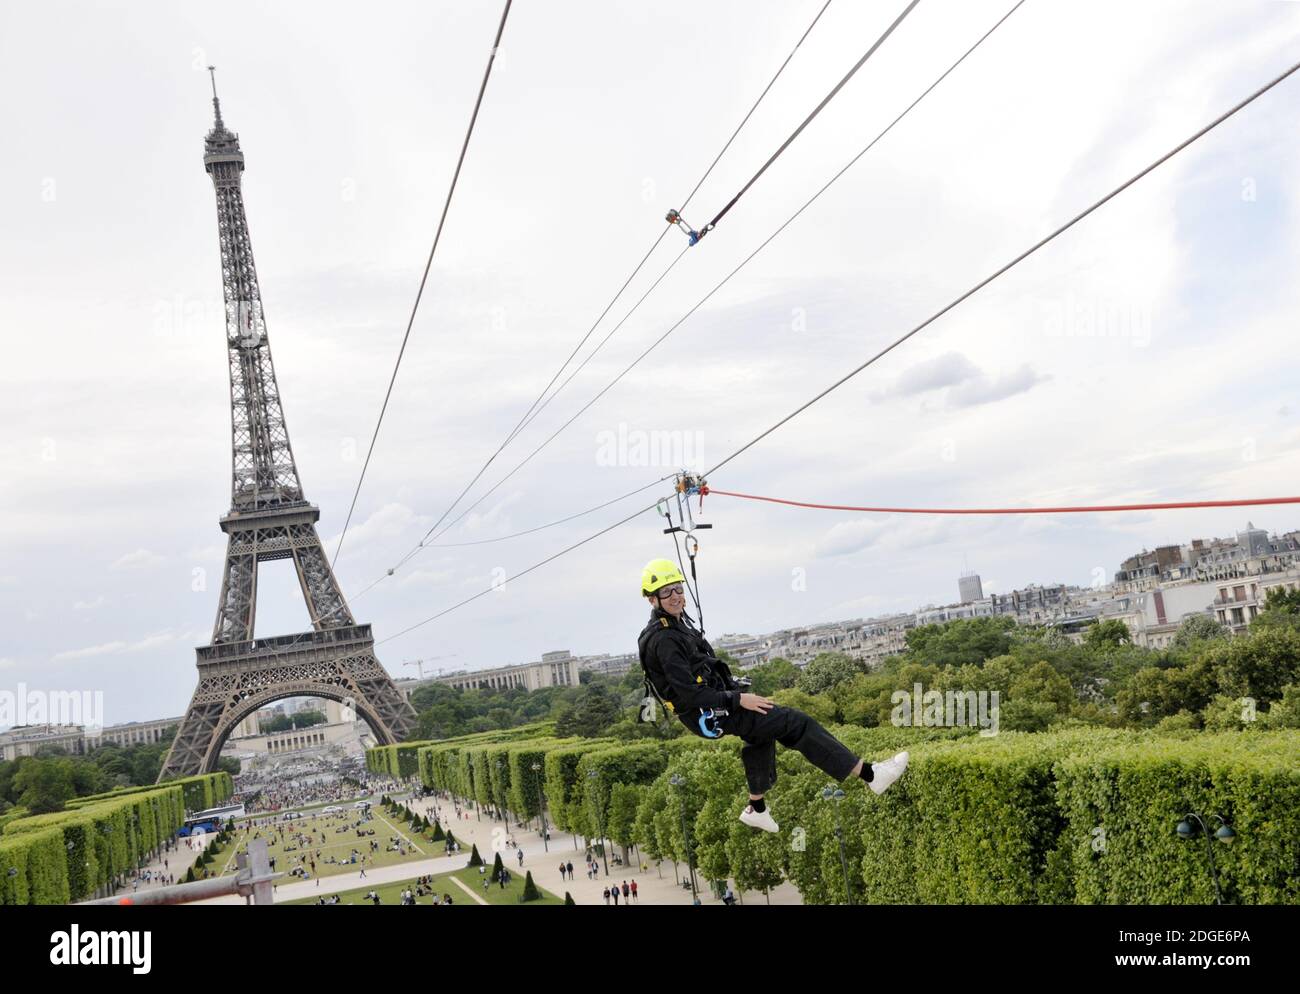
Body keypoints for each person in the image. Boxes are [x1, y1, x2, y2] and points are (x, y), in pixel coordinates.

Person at [637, 558, 909, 832]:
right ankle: (871, 775)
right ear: (652, 599)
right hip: (707, 713)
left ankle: (756, 808)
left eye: (678, 589)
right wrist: (739, 699)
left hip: (712, 707)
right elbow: (689, 695)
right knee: (796, 723)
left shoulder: (674, 626)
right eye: (666, 592)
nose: (676, 596)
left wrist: (734, 692)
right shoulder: (665, 639)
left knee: (760, 732)